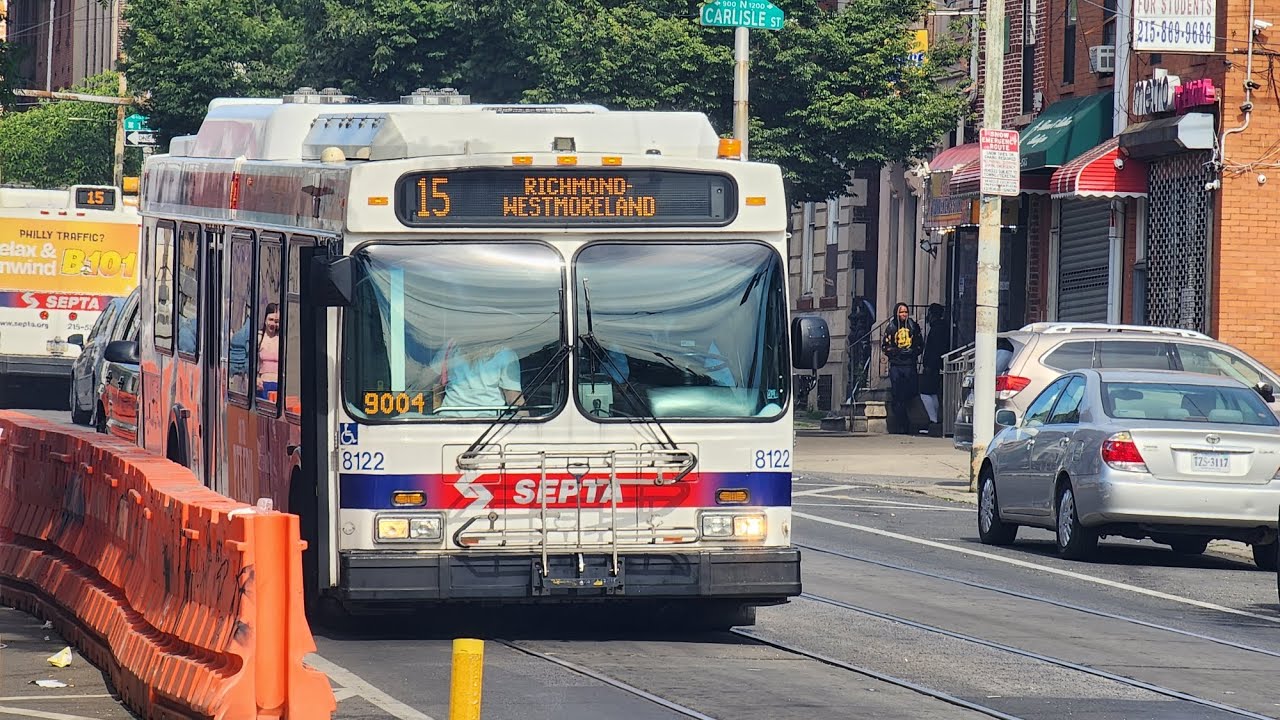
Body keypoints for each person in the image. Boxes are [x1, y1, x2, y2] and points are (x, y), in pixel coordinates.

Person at [427, 341, 524, 418]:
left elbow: (428, 381)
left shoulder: (450, 347)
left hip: (447, 420)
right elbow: (514, 399)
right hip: (488, 425)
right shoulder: (506, 353)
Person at [881, 302, 923, 435]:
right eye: (901, 312)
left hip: (910, 364)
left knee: (910, 393)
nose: (903, 314)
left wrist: (912, 351)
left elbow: (920, 344)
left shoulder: (913, 326)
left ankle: (909, 420)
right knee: (897, 395)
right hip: (896, 365)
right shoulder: (891, 327)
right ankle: (901, 424)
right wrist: (896, 351)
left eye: (905, 312)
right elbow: (885, 347)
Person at [918, 303, 949, 436]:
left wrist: (929, 365)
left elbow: (934, 349)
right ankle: (934, 420)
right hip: (936, 365)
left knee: (925, 392)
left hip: (933, 365)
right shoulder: (940, 328)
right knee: (932, 393)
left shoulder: (937, 329)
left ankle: (933, 420)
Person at [256, 303, 280, 400]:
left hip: (278, 385)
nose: (273, 324)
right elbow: (251, 361)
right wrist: (256, 378)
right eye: (270, 320)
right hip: (263, 385)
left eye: (276, 321)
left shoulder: (282, 339)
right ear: (265, 320)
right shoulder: (259, 337)